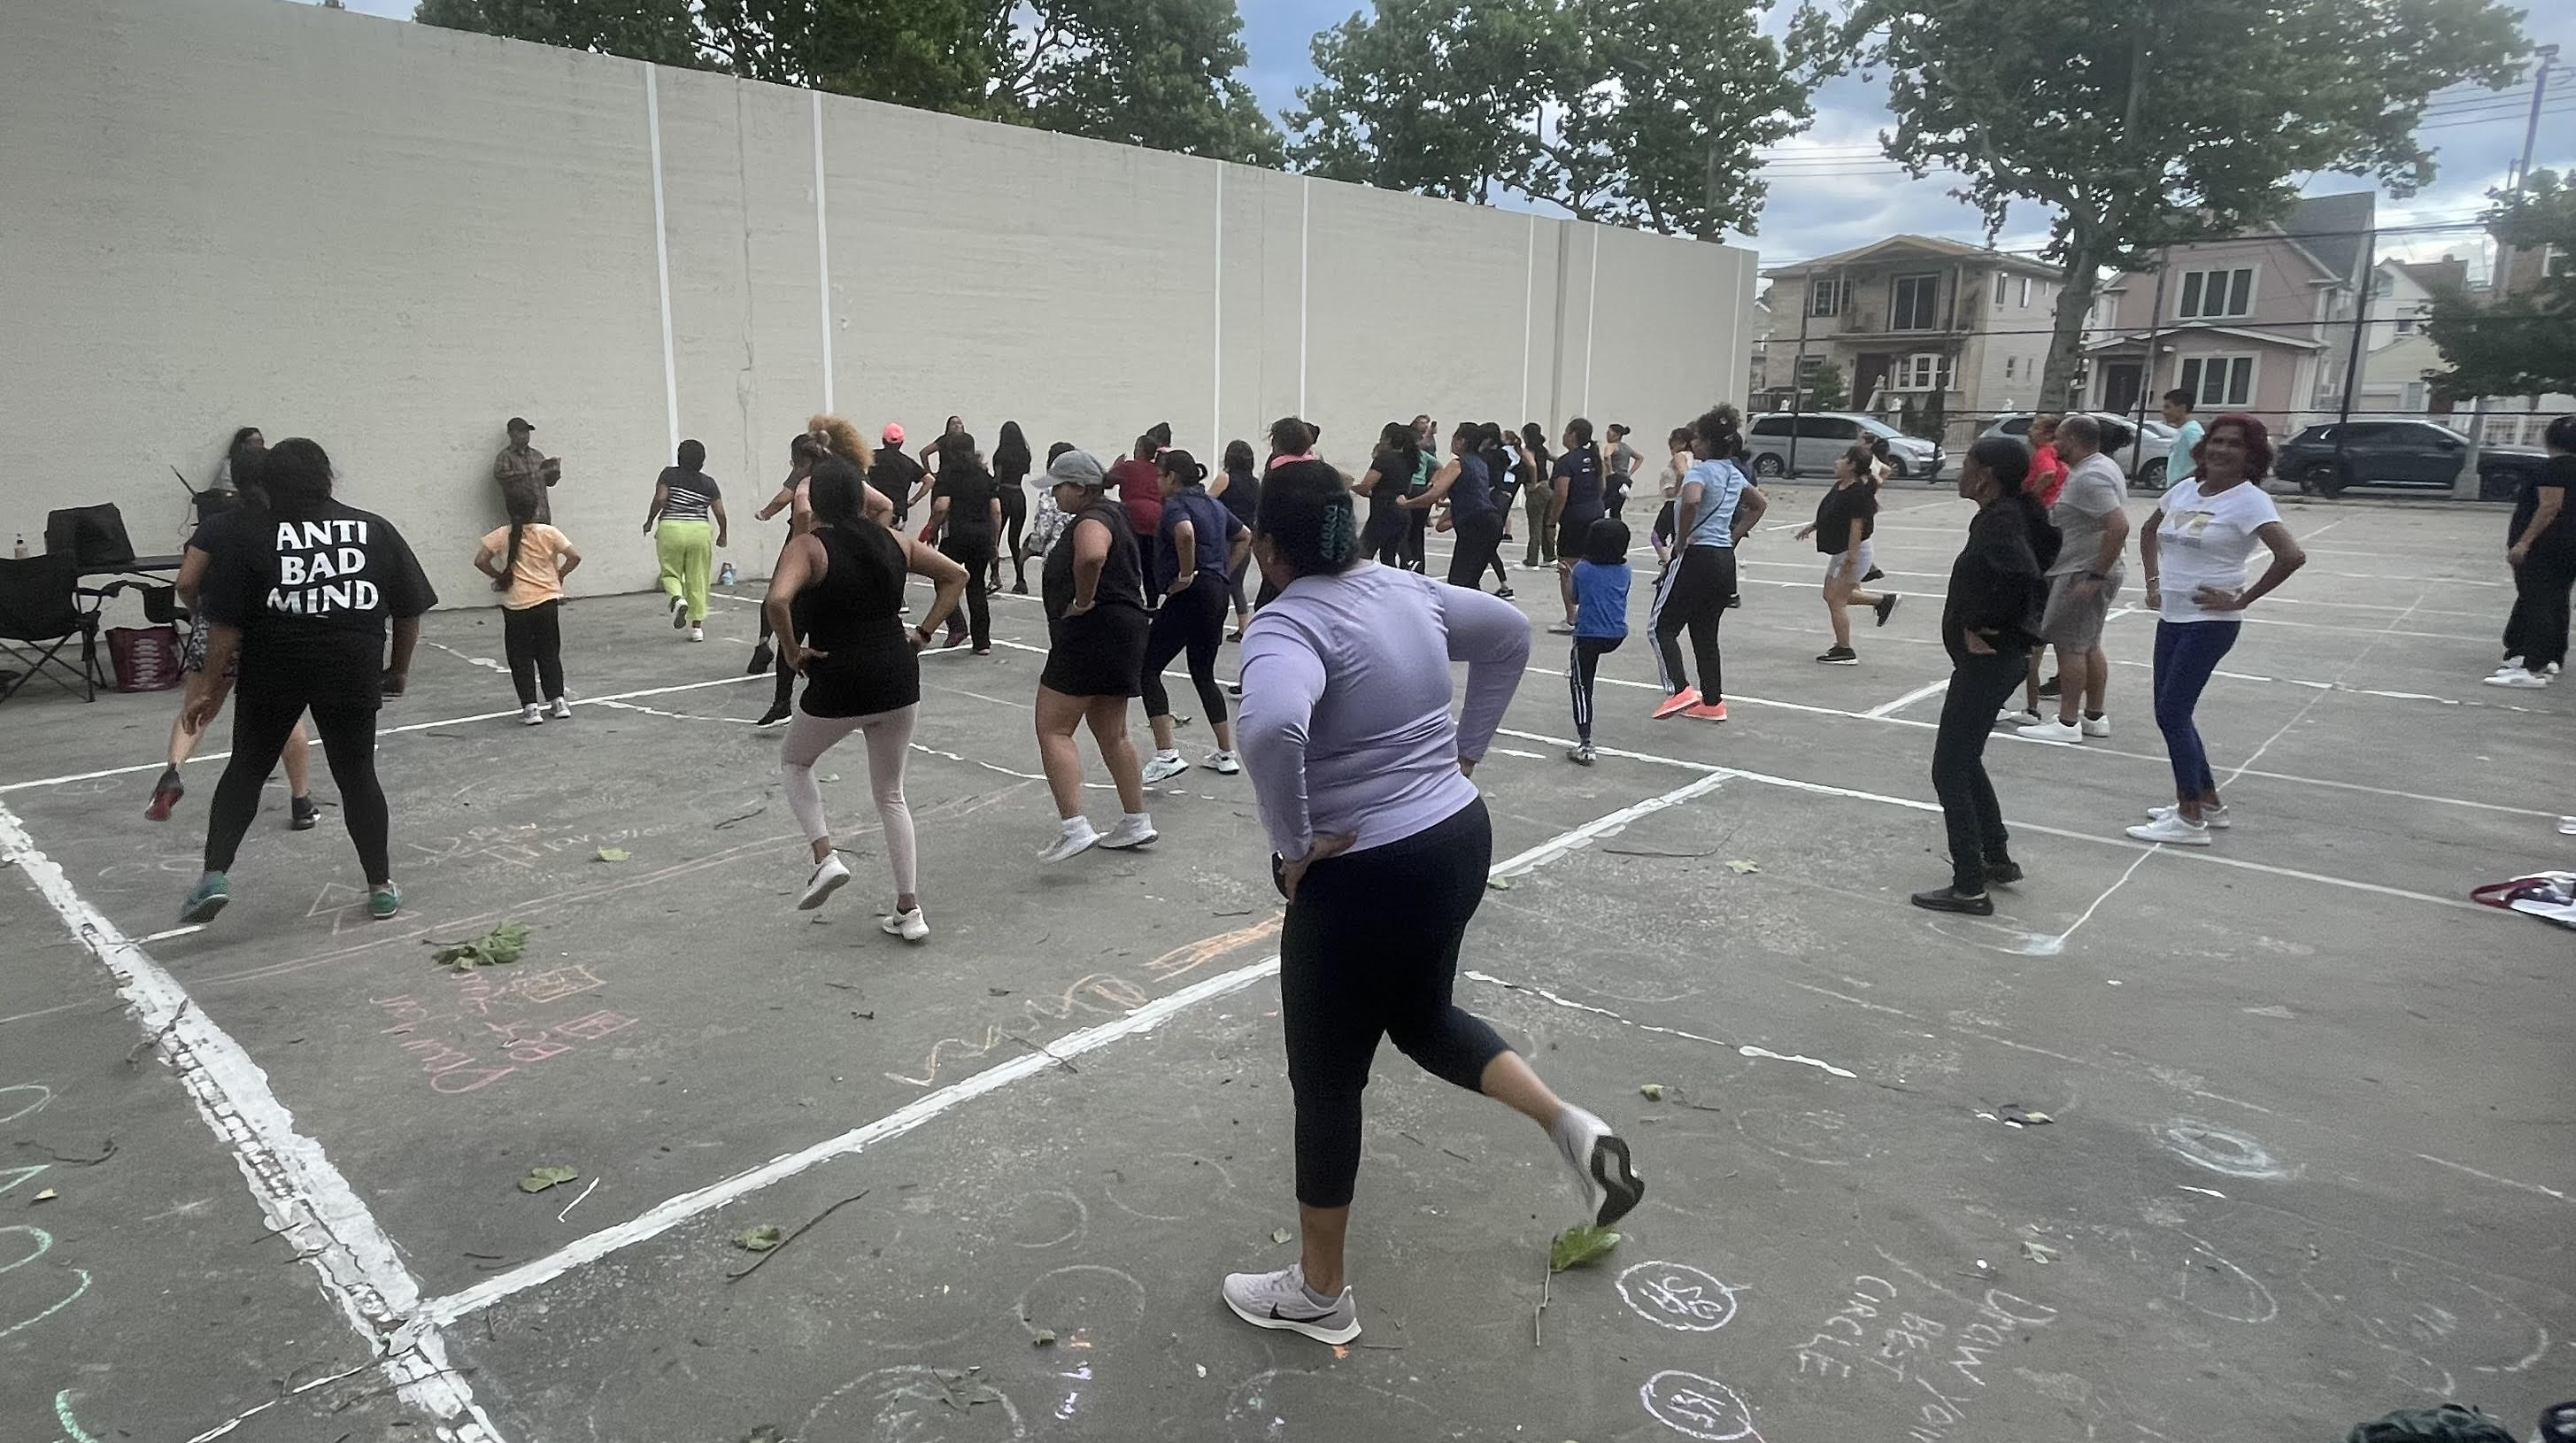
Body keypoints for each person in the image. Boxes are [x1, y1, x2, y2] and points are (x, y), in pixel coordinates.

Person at [1222, 459, 1641, 1347]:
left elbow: (1268, 727)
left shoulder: (1283, 627)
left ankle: (1320, 1290)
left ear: (1265, 544)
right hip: (1455, 837)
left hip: (1366, 872)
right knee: (1419, 1015)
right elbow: (1509, 634)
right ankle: (1570, 1126)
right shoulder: (1401, 589)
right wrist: (1466, 753)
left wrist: (1295, 845)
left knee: (1328, 1079)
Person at [177, 438, 436, 925]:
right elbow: (408, 610)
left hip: (274, 669)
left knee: (247, 770)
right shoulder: (374, 529)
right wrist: (398, 670)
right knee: (358, 776)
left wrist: (210, 687)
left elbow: (225, 625)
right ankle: (379, 887)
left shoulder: (248, 534)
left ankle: (214, 875)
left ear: (267, 486)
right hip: (351, 668)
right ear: (329, 478)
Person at [768, 457, 967, 942]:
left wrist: (793, 651)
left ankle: (825, 857)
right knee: (891, 795)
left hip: (840, 678)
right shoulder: (895, 541)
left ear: (816, 501)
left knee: (795, 762)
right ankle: (909, 909)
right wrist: (922, 633)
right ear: (860, 497)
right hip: (898, 677)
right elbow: (957, 576)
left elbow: (776, 601)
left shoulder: (810, 547)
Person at [2125, 414, 2306, 845]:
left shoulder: (2250, 501)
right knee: (2172, 711)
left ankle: (2189, 820)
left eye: (2234, 445)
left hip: (2210, 623)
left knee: (2172, 713)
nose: (2222, 450)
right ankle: (2207, 801)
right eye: (2217, 441)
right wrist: (2153, 582)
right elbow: (2149, 531)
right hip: (2173, 616)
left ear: (2251, 456)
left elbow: (2291, 556)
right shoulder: (2186, 489)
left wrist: (2241, 599)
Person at [1912, 437, 2058, 914]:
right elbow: (2043, 557)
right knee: (1965, 758)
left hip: (1990, 661)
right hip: (1996, 660)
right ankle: (1995, 856)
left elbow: (2024, 576)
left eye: (1967, 465)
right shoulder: (2011, 513)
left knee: (1949, 767)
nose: (1960, 472)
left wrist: (1983, 624)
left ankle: (1969, 885)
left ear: (1986, 475)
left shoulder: (2001, 521)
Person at [148, 436, 316, 830]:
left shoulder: (216, 526)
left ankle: (172, 773)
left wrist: (200, 614)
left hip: (218, 627)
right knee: (286, 719)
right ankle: (301, 800)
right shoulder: (289, 527)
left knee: (199, 707)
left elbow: (186, 582)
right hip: (273, 631)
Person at [1031, 450, 1159, 862]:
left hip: (1091, 632)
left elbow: (1091, 555)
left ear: (1080, 488)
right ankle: (1136, 819)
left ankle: (1074, 826)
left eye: (1058, 488)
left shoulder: (1092, 519)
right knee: (1113, 731)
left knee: (1053, 729)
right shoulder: (1116, 512)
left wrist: (1083, 600)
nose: (1054, 496)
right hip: (1124, 631)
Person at [1138, 450, 1250, 783]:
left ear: (1172, 477)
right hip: (1215, 593)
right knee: (1203, 672)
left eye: (1160, 476)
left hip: (1189, 593)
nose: (1157, 482)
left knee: (1148, 667)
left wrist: (1187, 574)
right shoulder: (1215, 505)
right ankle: (1226, 753)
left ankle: (1166, 754)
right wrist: (1222, 572)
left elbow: (1185, 533)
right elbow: (1245, 535)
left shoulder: (1176, 506)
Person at [1647, 406, 1764, 721]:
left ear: (1709, 443)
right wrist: (1734, 535)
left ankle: (1679, 689)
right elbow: (1759, 504)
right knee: (1705, 632)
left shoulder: (1700, 471)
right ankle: (1712, 703)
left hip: (1696, 555)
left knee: (1660, 627)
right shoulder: (1733, 473)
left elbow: (1693, 500)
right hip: (1723, 559)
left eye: (1697, 437)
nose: (1692, 443)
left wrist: (1682, 539)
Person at [2020, 414, 2128, 740]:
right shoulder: (2098, 467)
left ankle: (2067, 722)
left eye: (2060, 439)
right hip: (2085, 567)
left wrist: (2095, 575)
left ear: (2073, 440)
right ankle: (2094, 715)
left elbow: (2119, 526)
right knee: (2089, 644)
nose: (2055, 445)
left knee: (2070, 646)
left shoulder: (2091, 475)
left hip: (2083, 570)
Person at [474, 483, 582, 726]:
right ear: (536, 509)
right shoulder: (549, 532)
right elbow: (575, 556)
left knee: (520, 657)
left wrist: (499, 575)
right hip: (546, 601)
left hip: (515, 604)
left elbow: (480, 560)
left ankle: (531, 708)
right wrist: (560, 574)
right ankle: (558, 701)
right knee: (549, 652)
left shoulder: (501, 534)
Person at [2487, 413, 2576, 688]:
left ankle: (2531, 666)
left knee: (2537, 599)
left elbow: (2549, 506)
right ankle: (2550, 657)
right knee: (2557, 598)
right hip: (2569, 546)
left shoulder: (2551, 469)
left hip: (2545, 546)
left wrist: (2524, 542)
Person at [1792, 442, 1898, 664]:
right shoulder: (1842, 485)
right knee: (1832, 595)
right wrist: (1812, 526)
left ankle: (1845, 650)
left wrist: (1851, 558)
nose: (1836, 462)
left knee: (1836, 599)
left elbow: (1856, 528)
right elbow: (1832, 514)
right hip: (1841, 551)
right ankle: (1882, 602)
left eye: (1842, 458)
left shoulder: (1857, 492)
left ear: (1851, 465)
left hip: (1853, 552)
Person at [643, 439, 726, 643]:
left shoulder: (669, 475)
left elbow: (661, 499)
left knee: (670, 571)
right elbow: (720, 512)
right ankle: (697, 628)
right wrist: (723, 533)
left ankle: (678, 598)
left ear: (679, 458)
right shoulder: (709, 483)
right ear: (703, 461)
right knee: (698, 578)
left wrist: (650, 520)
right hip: (699, 530)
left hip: (672, 527)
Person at [1408, 421, 1505, 591]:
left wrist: (1406, 504)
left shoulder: (1457, 463)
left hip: (1476, 523)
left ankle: (1466, 616)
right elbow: (1469, 492)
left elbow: (1433, 494)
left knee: (1458, 582)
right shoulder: (1480, 463)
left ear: (1461, 441)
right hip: (1492, 521)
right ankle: (1477, 616)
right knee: (1471, 580)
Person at [1565, 517, 1631, 766]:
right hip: (1616, 634)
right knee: (1584, 676)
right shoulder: (1626, 570)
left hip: (1589, 636)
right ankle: (1584, 742)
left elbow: (1574, 597)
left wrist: (1569, 575)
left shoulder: (1583, 569)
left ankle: (1585, 742)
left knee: (1581, 686)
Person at [928, 433, 1001, 654]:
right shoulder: (984, 475)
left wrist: (932, 527)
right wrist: (994, 542)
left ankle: (957, 626)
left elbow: (941, 506)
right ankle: (982, 643)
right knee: (976, 586)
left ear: (949, 451)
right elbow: (996, 510)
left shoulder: (947, 475)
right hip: (981, 536)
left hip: (955, 536)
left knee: (943, 579)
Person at [1546, 420, 1607, 631]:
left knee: (1567, 567)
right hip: (1596, 514)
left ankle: (1572, 618)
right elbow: (1602, 486)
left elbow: (1561, 494)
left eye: (1565, 431)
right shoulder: (1594, 458)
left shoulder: (1565, 462)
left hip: (1575, 518)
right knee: (1591, 566)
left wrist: (1552, 521)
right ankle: (1590, 614)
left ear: (1572, 434)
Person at [1212, 438, 1262, 638]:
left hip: (1226, 535)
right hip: (1246, 536)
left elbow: (1209, 502)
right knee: (1236, 583)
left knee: (1220, 581)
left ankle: (1215, 625)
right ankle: (1243, 626)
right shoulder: (1255, 483)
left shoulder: (1225, 478)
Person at [1358, 422, 1417, 568]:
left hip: (1383, 511)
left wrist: (1351, 487)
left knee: (1363, 554)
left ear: (1388, 440)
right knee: (1388, 556)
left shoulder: (1383, 459)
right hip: (1402, 512)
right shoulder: (1409, 460)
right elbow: (1407, 488)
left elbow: (1366, 487)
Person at [991, 421, 1035, 595]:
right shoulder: (1025, 454)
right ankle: (1020, 579)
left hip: (1004, 495)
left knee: (995, 537)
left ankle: (995, 576)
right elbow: (1024, 472)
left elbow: (998, 479)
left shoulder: (1000, 455)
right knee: (1013, 540)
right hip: (1019, 495)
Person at [493, 417, 559, 524]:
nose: (525, 435)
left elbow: (549, 483)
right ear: (510, 434)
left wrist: (553, 473)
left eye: (527, 432)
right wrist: (531, 473)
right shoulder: (505, 456)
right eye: (521, 432)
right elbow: (502, 477)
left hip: (543, 514)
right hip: (522, 517)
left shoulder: (537, 455)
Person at [1477, 422, 1517, 597]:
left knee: (1484, 545)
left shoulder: (1486, 457)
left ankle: (1501, 585)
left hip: (1489, 501)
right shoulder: (1503, 454)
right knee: (1489, 546)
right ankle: (1504, 585)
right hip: (1501, 499)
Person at [1650, 427, 1692, 567]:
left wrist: (1676, 490)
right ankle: (1673, 564)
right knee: (1677, 536)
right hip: (1681, 501)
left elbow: (1683, 473)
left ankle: (1668, 564)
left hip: (1673, 501)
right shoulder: (1694, 458)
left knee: (1657, 536)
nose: (1671, 444)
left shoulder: (1680, 457)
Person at [1110, 434, 1164, 541]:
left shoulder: (1128, 466)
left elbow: (1106, 482)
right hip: (1158, 516)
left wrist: (1116, 465)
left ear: (1140, 449)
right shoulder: (1158, 470)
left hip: (1133, 514)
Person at [1519, 422, 1558, 569]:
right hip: (1547, 486)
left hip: (1537, 489)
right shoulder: (1542, 449)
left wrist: (1534, 483)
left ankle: (1532, 559)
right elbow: (1556, 459)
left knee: (1535, 525)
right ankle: (1550, 555)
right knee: (1547, 524)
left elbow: (1532, 465)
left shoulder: (1527, 450)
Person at [868, 422, 922, 527]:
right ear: (901, 442)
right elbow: (929, 481)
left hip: (875, 511)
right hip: (898, 512)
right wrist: (913, 501)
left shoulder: (872, 456)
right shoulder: (907, 462)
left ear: (883, 440)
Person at [2161, 390, 2203, 491]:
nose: (2163, 411)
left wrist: (2180, 483)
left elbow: (2203, 462)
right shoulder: (2183, 430)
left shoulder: (2191, 431)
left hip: (2185, 490)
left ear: (2182, 408)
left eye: (2168, 407)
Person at [1604, 422, 1642, 521]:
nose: (1607, 435)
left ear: (1616, 435)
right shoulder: (1626, 447)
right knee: (1616, 509)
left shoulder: (1611, 446)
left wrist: (1610, 470)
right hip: (1626, 481)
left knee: (1603, 504)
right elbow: (1640, 458)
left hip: (1614, 479)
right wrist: (1630, 472)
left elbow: (1607, 456)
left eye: (1609, 433)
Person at [213, 427, 265, 494]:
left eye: (260, 441)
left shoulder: (264, 463)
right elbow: (229, 491)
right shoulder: (229, 466)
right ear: (242, 444)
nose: (258, 445)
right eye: (254, 442)